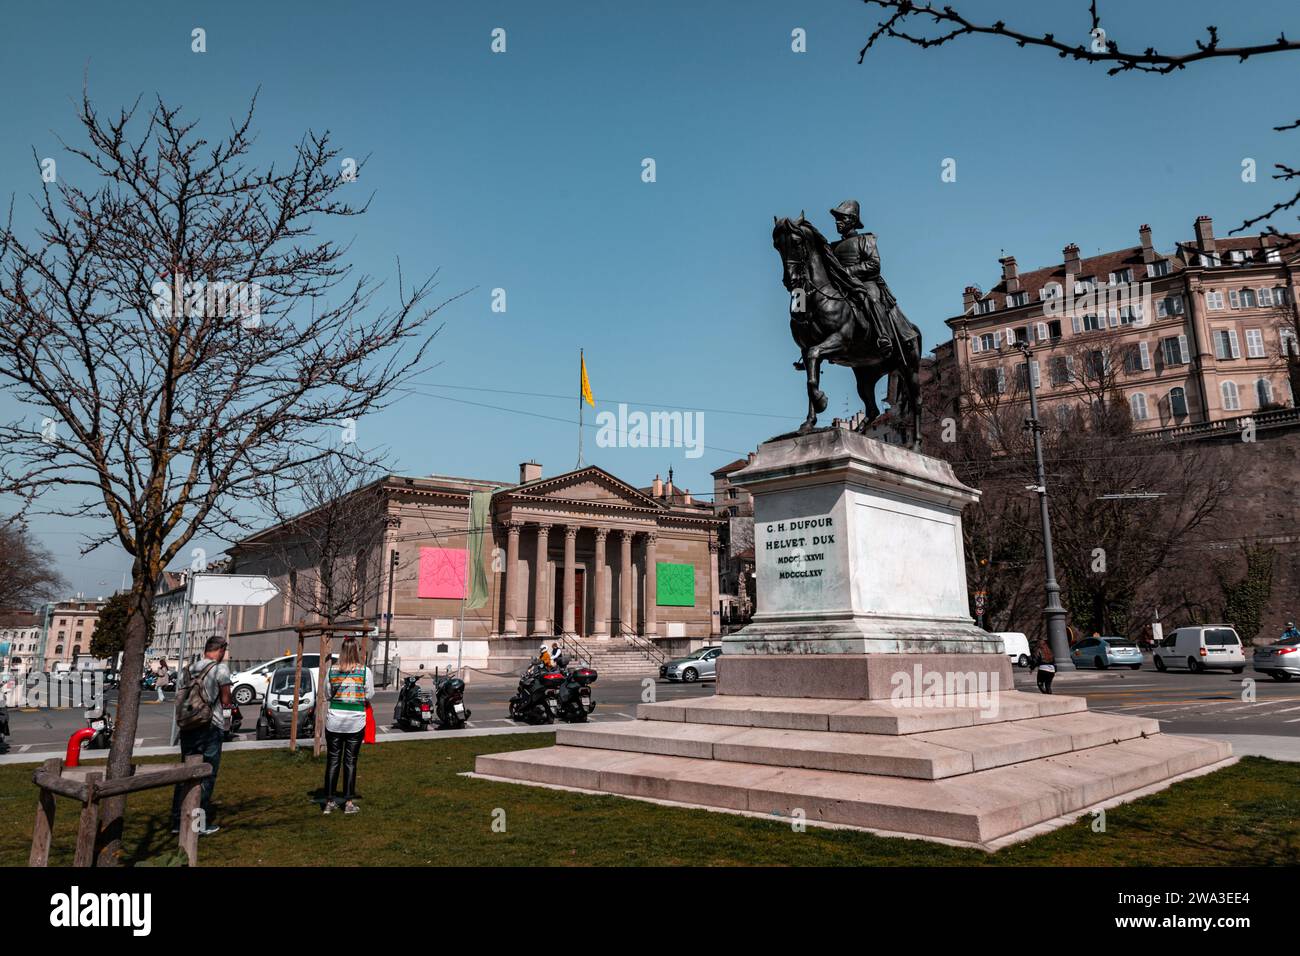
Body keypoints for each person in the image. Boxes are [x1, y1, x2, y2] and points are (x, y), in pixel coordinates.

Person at [170, 636, 232, 836]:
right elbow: (225, 698)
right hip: (210, 725)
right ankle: (198, 823)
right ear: (220, 650)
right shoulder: (220, 669)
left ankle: (177, 821)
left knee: (186, 772)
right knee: (207, 774)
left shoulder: (189, 669)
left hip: (188, 725)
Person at [322, 637, 374, 815]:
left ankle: (329, 800)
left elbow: (327, 694)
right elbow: (369, 694)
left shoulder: (332, 670)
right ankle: (349, 802)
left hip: (335, 719)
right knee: (350, 761)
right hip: (355, 720)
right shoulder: (364, 671)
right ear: (356, 651)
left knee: (333, 760)